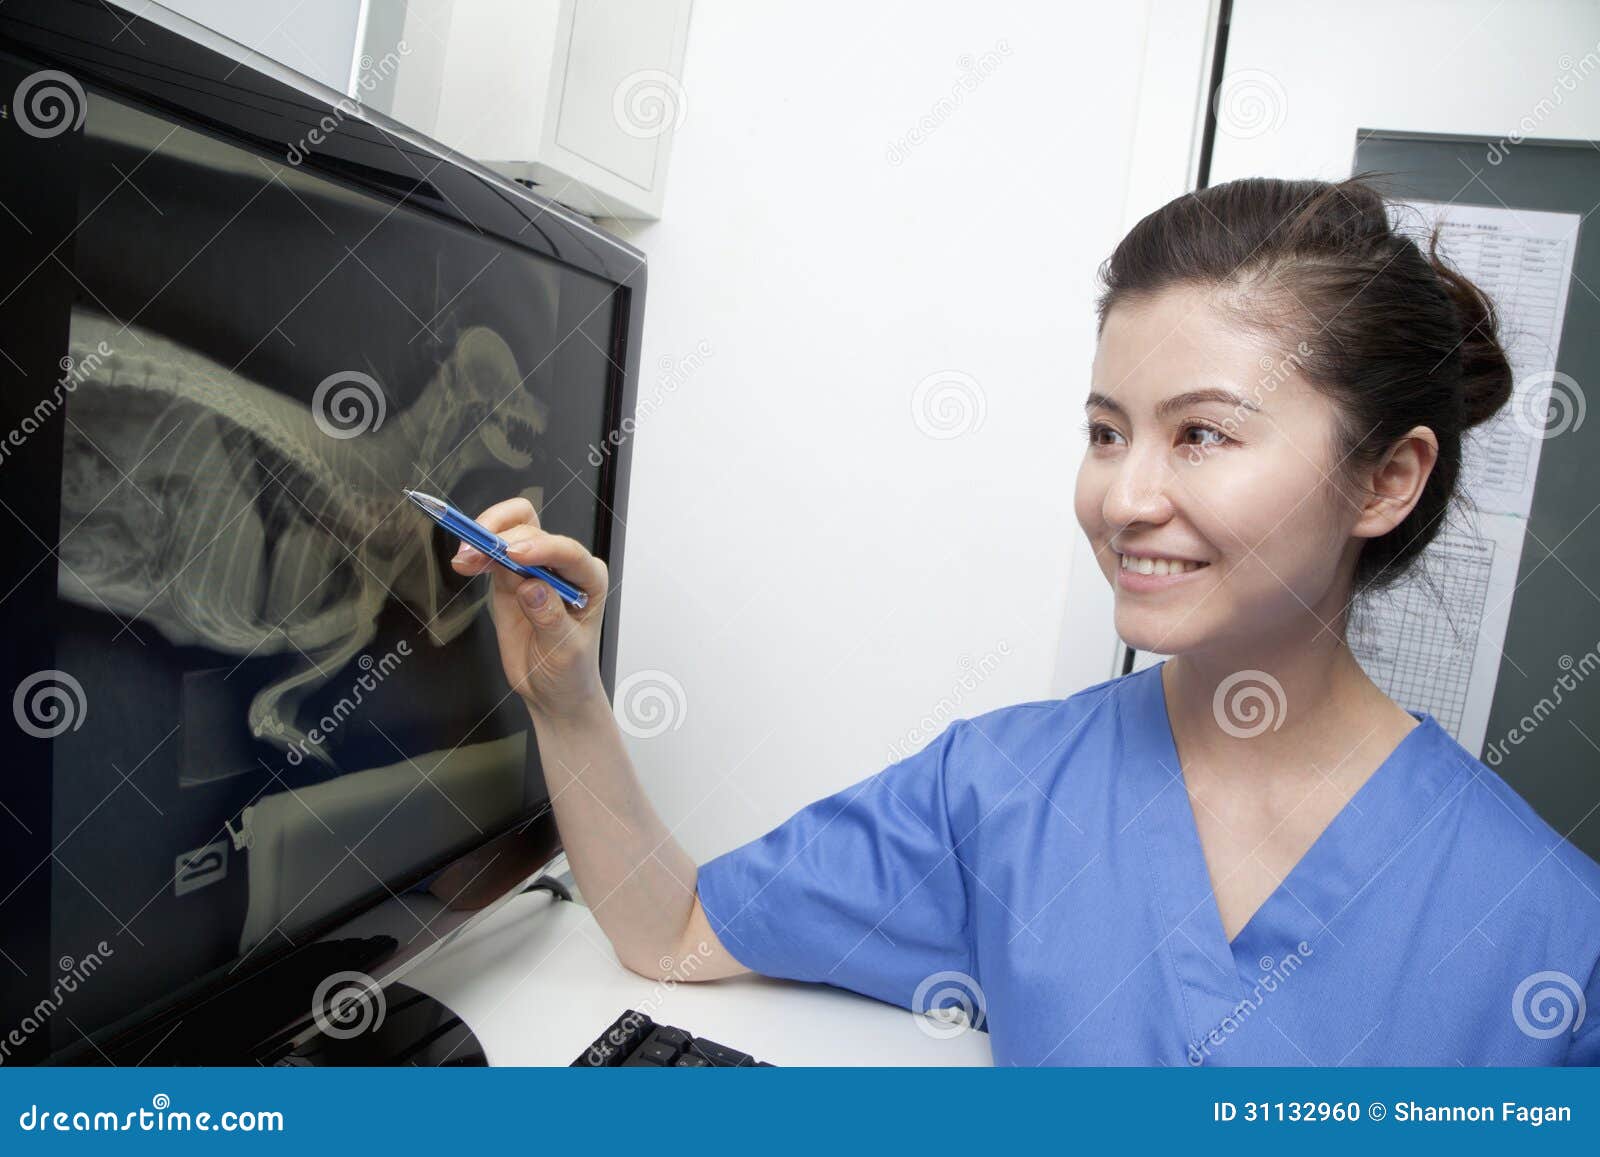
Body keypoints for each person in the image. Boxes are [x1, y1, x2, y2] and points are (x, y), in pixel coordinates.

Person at [453, 176, 1600, 1066]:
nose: (1123, 495)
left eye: (1201, 433)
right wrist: (564, 690)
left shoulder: (1551, 934)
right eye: (1106, 431)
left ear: (1385, 479)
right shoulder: (1003, 794)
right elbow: (674, 928)